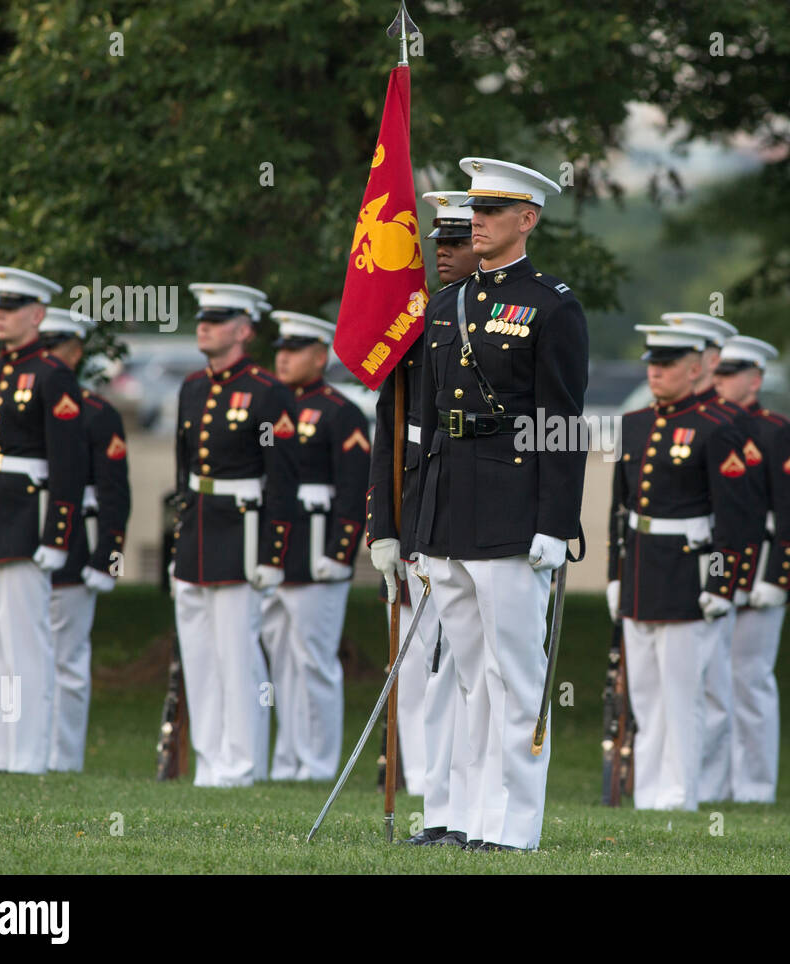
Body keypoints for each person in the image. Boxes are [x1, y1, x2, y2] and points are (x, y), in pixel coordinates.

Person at [393, 157, 588, 852]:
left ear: (527, 219)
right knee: (469, 677)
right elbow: (422, 425)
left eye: (493, 211)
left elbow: (562, 423)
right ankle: (468, 818)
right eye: (474, 210)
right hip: (448, 507)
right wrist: (415, 520)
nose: (476, 221)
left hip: (511, 508)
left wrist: (555, 525)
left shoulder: (551, 304)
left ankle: (512, 826)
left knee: (514, 676)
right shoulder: (446, 305)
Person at [606, 325, 760, 810]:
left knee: (682, 693)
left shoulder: (717, 426)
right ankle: (650, 790)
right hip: (641, 567)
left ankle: (680, 792)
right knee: (647, 695)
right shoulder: (633, 423)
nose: (655, 371)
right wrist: (615, 573)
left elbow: (736, 518)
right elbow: (619, 509)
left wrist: (721, 580)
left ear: (695, 369)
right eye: (652, 361)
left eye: (668, 364)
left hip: (687, 570)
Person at [368, 189, 481, 846]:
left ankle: (462, 808)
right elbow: (390, 434)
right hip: (416, 524)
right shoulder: (414, 320)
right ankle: (432, 807)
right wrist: (384, 527)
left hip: (466, 523)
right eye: (439, 242)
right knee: (416, 676)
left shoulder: (492, 322)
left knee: (465, 672)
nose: (444, 252)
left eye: (458, 241)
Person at [170, 283, 299, 787]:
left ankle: (241, 764)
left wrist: (272, 552)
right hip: (198, 525)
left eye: (218, 318)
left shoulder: (267, 391)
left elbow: (282, 479)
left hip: (243, 528)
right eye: (203, 317)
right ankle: (209, 762)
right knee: (199, 655)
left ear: (244, 329)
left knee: (238, 654)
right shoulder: (191, 387)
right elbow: (183, 470)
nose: (205, 325)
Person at [0, 266, 87, 774]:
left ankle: (30, 755)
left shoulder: (55, 377)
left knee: (26, 645)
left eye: (10, 310)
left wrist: (58, 533)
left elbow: (69, 464)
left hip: (27, 517)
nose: (0, 318)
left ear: (36, 315)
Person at [259, 310, 369, 780]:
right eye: (280, 349)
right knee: (279, 659)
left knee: (314, 661)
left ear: (320, 356)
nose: (282, 358)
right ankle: (287, 759)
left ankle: (319, 762)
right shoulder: (272, 406)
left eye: (294, 350)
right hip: (277, 548)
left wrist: (339, 551)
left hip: (317, 545)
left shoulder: (339, 411)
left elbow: (354, 487)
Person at [712, 335, 790, 803]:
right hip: (713, 565)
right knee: (712, 680)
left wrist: (778, 577)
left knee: (749, 679)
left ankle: (753, 787)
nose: (720, 380)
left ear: (756, 378)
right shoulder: (708, 425)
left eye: (730, 372)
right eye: (717, 370)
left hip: (757, 571)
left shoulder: (776, 433)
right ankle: (713, 783)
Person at [36, 307, 132, 772]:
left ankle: (63, 758)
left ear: (74, 354)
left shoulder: (97, 413)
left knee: (67, 659)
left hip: (77, 547)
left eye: (55, 350)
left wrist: (108, 562)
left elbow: (116, 497)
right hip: (23, 540)